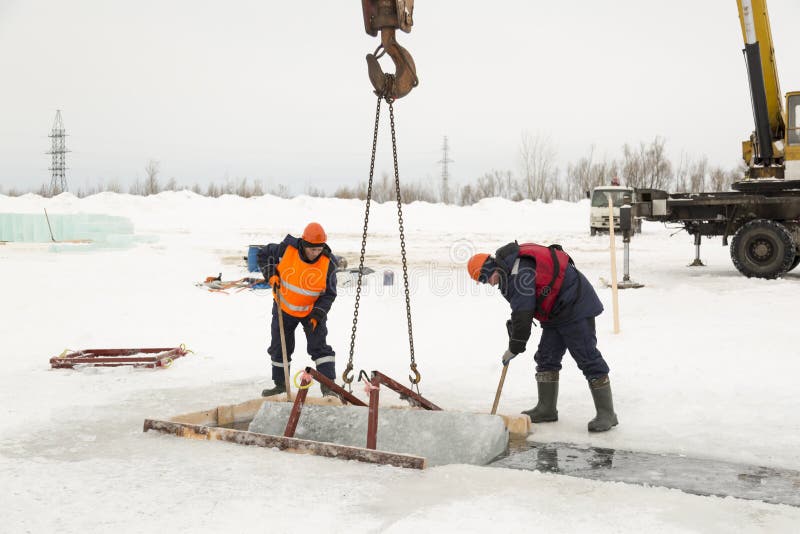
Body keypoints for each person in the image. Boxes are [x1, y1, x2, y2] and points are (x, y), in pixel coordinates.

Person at [467, 241, 618, 432]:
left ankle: (607, 414)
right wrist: (515, 330)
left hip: (574, 304)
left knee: (587, 356)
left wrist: (515, 347)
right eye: (482, 281)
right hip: (555, 310)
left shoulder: (517, 273)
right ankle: (546, 408)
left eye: (484, 278)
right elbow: (521, 309)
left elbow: (523, 311)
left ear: (490, 268)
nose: (487, 283)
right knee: (546, 358)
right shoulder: (508, 271)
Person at [258, 222, 338, 397]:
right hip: (284, 308)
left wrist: (318, 314)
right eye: (311, 250)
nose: (315, 254)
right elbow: (263, 255)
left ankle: (329, 388)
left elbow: (329, 294)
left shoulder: (328, 263)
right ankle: (280, 385)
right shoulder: (287, 249)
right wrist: (271, 274)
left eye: (318, 250)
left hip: (311, 311)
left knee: (319, 348)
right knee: (280, 347)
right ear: (303, 244)